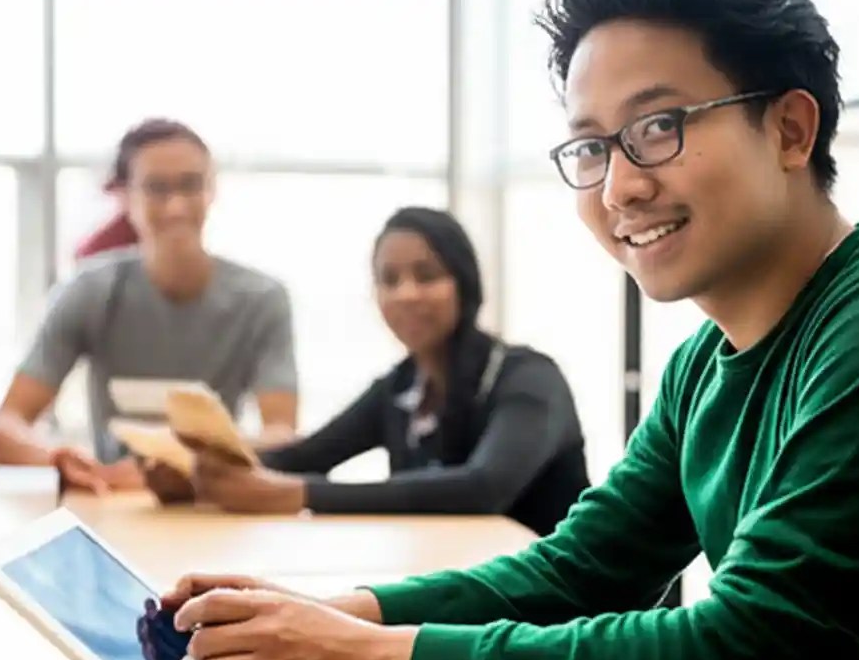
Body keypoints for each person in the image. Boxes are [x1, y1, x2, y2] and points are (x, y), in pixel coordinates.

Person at [154, 0, 859, 660]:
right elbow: (577, 571)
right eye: (590, 148)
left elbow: (764, 648)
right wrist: (329, 614)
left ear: (791, 129)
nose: (618, 189)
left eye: (658, 128)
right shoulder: (703, 366)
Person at [174, 206, 591, 536]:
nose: (405, 294)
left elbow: (482, 488)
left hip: (559, 616)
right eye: (388, 280)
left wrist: (297, 495)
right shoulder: (401, 387)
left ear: (464, 283)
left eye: (426, 276)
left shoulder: (529, 378)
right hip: (461, 594)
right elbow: (306, 455)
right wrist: (194, 474)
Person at [0, 118, 299, 493]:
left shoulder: (262, 299)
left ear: (212, 189)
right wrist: (60, 457)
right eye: (156, 188)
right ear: (124, 196)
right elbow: (6, 426)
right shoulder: (88, 291)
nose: (176, 206)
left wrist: (194, 463)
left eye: (190, 185)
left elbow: (282, 434)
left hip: (211, 503)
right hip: (110, 497)